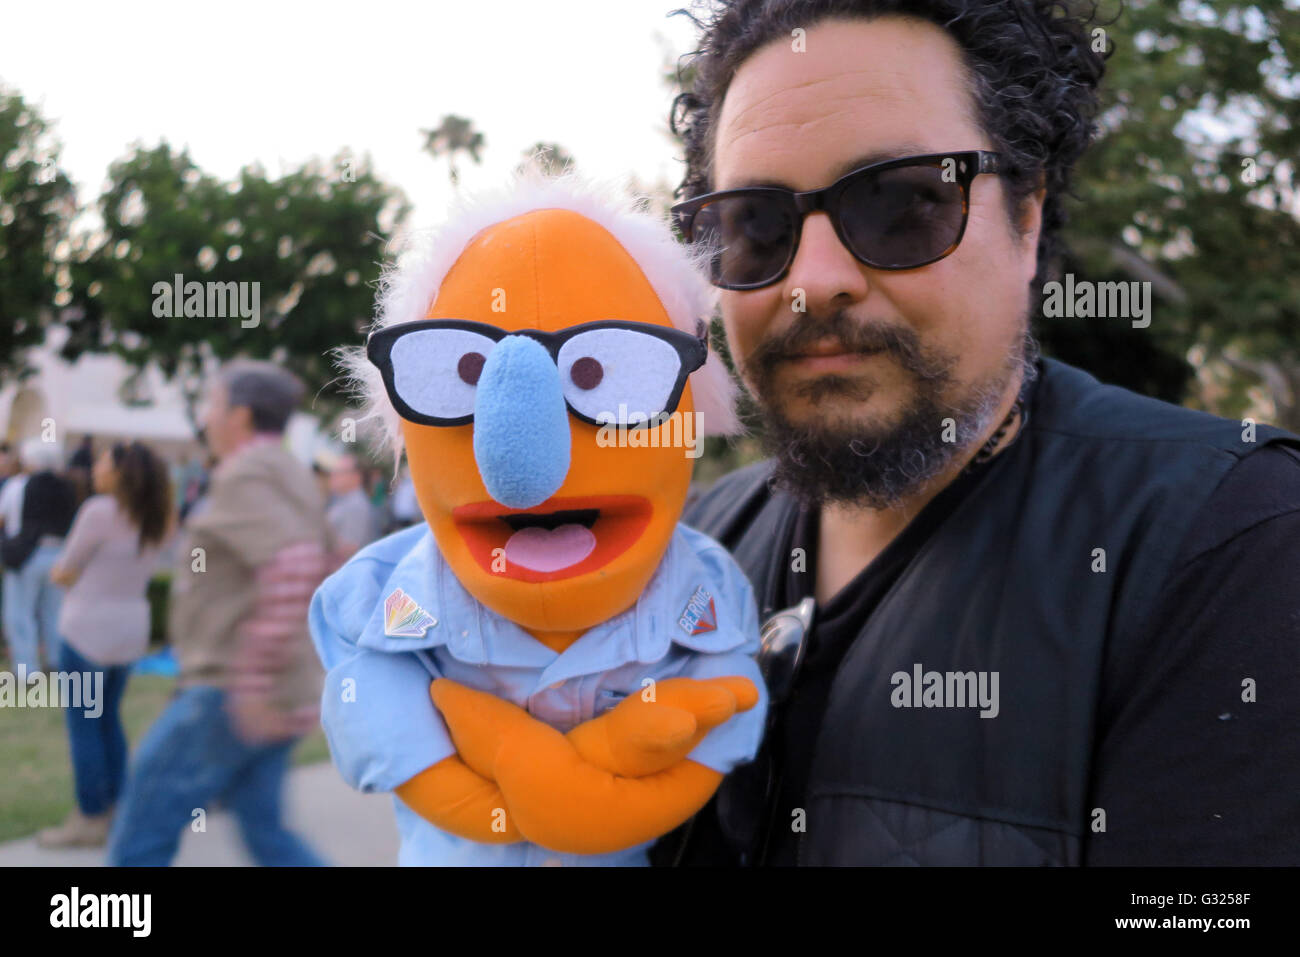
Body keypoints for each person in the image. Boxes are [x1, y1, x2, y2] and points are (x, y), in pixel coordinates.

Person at [651, 0, 1300, 866]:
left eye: (902, 203)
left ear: (1026, 216)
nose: (814, 282)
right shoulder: (684, 554)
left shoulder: (1231, 543)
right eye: (755, 225)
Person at [106, 360, 332, 866]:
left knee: (142, 830)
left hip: (226, 689)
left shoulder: (247, 472)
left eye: (212, 404)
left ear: (241, 415)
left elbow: (292, 566)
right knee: (266, 834)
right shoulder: (291, 472)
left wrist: (252, 685)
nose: (205, 419)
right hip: (275, 690)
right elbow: (328, 558)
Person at [37, 442, 174, 848]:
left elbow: (66, 570)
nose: (95, 467)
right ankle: (117, 808)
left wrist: (59, 573)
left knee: (84, 726)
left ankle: (90, 816)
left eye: (103, 461)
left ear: (120, 472)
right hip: (129, 632)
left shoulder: (98, 512)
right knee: (108, 719)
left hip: (86, 632)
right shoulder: (158, 516)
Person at [0, 439, 75, 672]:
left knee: (19, 614)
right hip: (59, 554)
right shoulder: (66, 487)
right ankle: (55, 662)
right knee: (54, 613)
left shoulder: (18, 485)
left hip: (26, 554)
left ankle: (26, 668)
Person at [324, 453, 379, 560]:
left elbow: (350, 548)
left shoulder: (356, 505)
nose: (333, 476)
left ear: (356, 477)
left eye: (339, 473)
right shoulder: (344, 500)